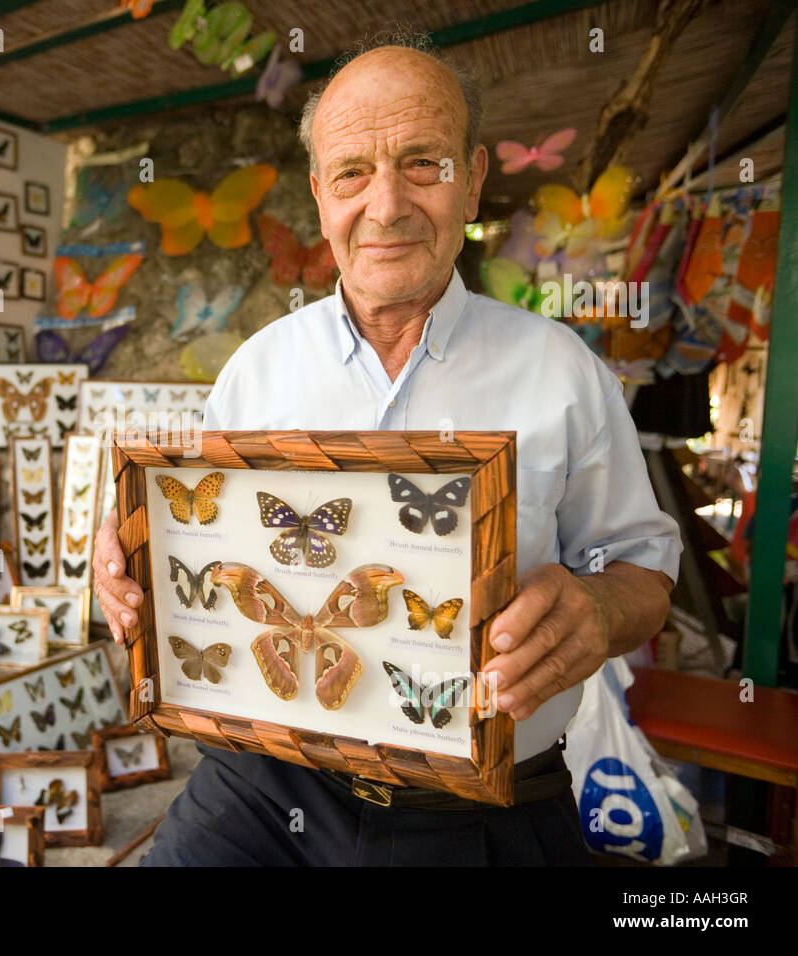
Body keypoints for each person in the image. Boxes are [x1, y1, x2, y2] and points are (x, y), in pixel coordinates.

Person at [91, 34, 682, 866]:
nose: (388, 204)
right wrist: (128, 548)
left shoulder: (563, 371)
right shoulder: (257, 368)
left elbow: (645, 572)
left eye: (422, 164)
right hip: (263, 785)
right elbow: (185, 531)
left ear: (473, 178)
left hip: (479, 807)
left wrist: (601, 609)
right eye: (353, 173)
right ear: (319, 196)